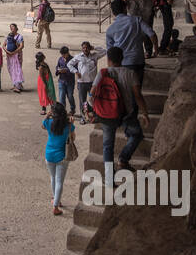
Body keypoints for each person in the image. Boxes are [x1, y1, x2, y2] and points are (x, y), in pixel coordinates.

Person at [90, 46, 152, 185]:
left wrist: (95, 110)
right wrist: (144, 113)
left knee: (108, 146)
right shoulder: (130, 73)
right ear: (122, 59)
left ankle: (109, 179)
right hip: (126, 113)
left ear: (108, 60)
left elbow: (92, 93)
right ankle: (123, 159)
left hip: (107, 115)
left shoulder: (103, 72)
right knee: (136, 135)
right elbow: (138, 96)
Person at [104, 0, 157, 90]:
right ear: (125, 8)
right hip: (138, 61)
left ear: (113, 12)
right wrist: (156, 50)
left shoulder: (110, 30)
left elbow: (110, 52)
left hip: (121, 63)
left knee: (124, 93)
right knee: (137, 92)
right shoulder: (136, 20)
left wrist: (110, 69)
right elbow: (152, 34)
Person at [43, 104, 74, 215]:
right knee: (59, 181)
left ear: (53, 113)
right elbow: (73, 138)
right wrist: (71, 124)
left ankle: (56, 199)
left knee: (53, 177)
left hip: (49, 155)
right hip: (62, 156)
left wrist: (47, 115)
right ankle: (56, 206)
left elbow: (43, 125)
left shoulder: (48, 123)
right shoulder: (68, 125)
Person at [69, 41, 104, 123]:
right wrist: (76, 71)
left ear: (90, 48)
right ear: (82, 48)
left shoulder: (95, 55)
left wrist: (95, 47)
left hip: (93, 83)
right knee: (83, 101)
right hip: (82, 83)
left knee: (94, 100)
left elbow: (105, 51)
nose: (85, 49)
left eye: (87, 47)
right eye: (83, 48)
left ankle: (96, 115)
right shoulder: (78, 56)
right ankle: (83, 117)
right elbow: (69, 64)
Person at [55, 46, 77, 115]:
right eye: (62, 55)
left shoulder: (73, 60)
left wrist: (66, 70)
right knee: (61, 97)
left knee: (70, 96)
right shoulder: (60, 59)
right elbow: (57, 67)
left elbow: (75, 70)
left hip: (70, 82)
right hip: (61, 81)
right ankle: (62, 111)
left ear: (68, 53)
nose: (63, 56)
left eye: (64, 54)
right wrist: (58, 71)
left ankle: (72, 109)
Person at [4, 22, 26, 92]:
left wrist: (14, 52)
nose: (12, 29)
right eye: (11, 28)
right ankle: (16, 85)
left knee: (17, 70)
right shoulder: (9, 36)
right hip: (9, 55)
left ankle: (17, 86)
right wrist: (7, 52)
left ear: (17, 29)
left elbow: (21, 46)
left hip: (17, 55)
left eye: (13, 28)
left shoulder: (20, 37)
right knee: (11, 69)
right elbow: (3, 45)